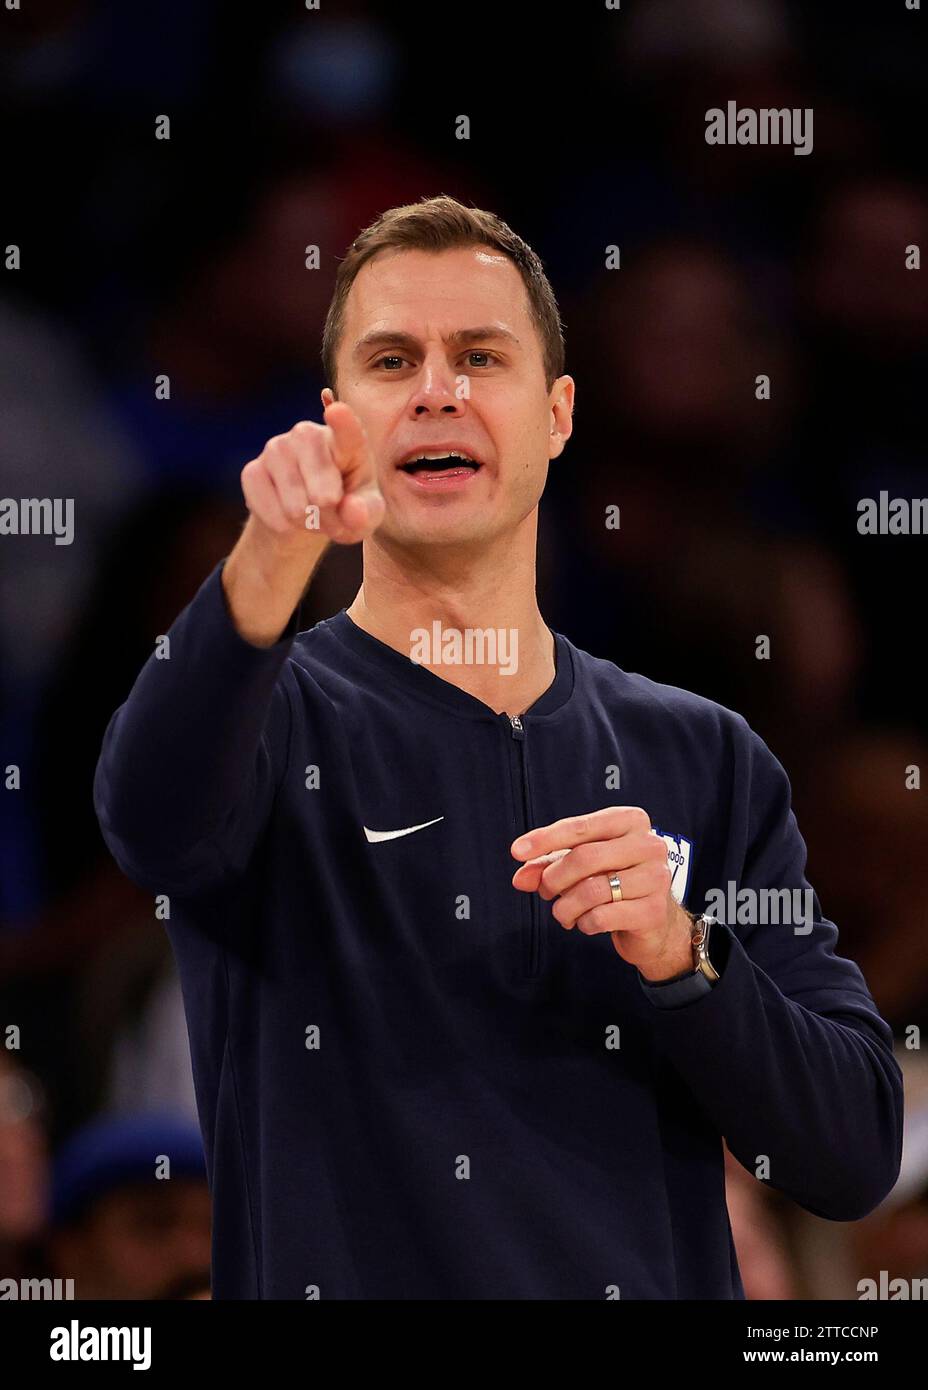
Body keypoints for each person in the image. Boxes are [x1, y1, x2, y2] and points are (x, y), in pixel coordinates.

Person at [93, 195, 903, 1300]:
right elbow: (147, 819)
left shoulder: (706, 755)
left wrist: (684, 958)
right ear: (338, 420)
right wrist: (261, 565)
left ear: (559, 413)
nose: (437, 389)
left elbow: (849, 1152)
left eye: (481, 355)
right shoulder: (268, 720)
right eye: (393, 361)